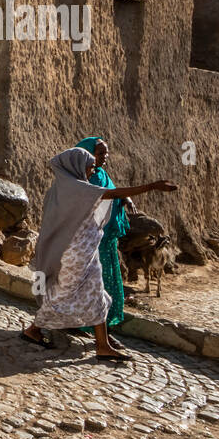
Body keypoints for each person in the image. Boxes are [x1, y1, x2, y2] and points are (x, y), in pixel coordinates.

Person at [21, 146, 177, 361]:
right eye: (90, 167)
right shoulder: (75, 188)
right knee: (67, 296)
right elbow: (110, 194)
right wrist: (152, 186)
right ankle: (35, 330)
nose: (93, 172)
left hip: (84, 253)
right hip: (73, 256)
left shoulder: (64, 188)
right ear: (76, 166)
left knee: (96, 296)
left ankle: (102, 345)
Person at [74, 136, 131, 340]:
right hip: (89, 242)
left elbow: (114, 190)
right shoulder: (81, 178)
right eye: (100, 153)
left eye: (106, 153)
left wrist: (126, 198)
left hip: (106, 241)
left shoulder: (101, 174)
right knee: (93, 286)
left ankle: (102, 329)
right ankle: (94, 331)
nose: (104, 156)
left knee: (108, 284)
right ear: (87, 153)